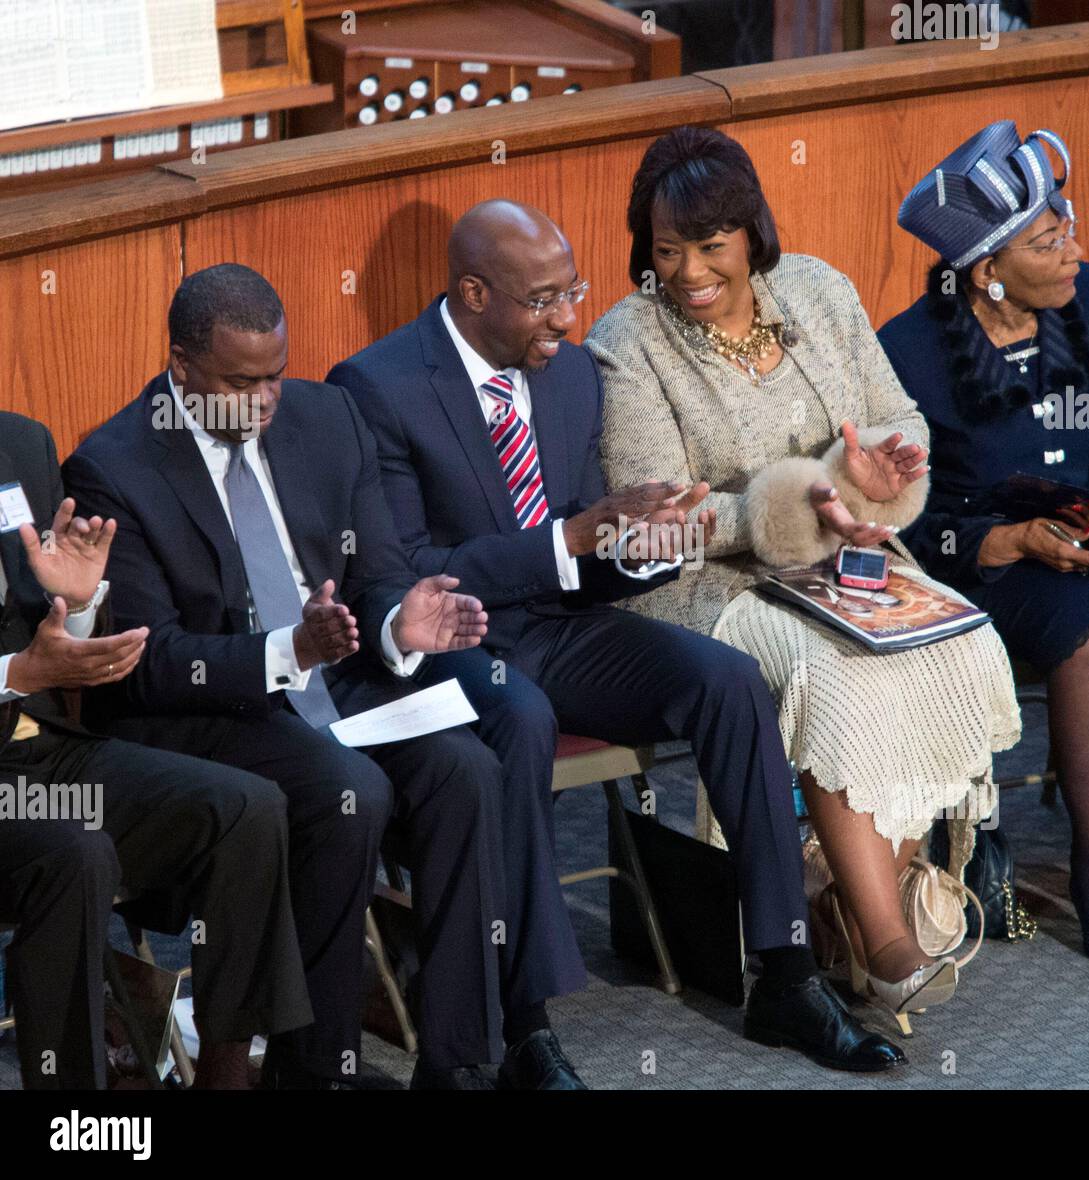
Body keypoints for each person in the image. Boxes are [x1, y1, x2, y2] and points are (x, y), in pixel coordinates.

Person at [327, 199, 907, 1078]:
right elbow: (412, 570)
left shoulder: (566, 374)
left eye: (574, 291)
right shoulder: (377, 387)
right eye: (544, 299)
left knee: (730, 681)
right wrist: (571, 541)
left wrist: (644, 546)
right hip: (458, 641)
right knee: (516, 716)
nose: (568, 317)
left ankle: (785, 976)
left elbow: (595, 543)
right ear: (475, 293)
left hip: (565, 628)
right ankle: (524, 1026)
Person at [587, 126, 1022, 1034]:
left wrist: (887, 470)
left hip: (852, 557)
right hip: (711, 586)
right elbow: (665, 521)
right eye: (667, 252)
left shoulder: (821, 291)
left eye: (711, 247)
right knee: (838, 673)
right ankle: (887, 940)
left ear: (752, 233)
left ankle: (853, 909)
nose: (690, 273)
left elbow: (899, 415)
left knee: (952, 641)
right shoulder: (627, 343)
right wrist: (799, 504)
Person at [62, 264, 510, 1090]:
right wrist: (285, 653)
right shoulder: (113, 465)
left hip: (331, 685)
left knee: (466, 770)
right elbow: (148, 661)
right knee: (350, 795)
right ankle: (315, 1072)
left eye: (275, 375)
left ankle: (457, 1063)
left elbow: (375, 571)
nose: (266, 401)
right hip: (205, 712)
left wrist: (394, 623)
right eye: (242, 383)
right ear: (182, 366)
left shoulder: (327, 416)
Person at [878, 121, 1089, 974]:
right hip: (995, 568)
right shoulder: (907, 349)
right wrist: (1011, 536)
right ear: (986, 270)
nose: (1074, 251)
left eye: (1067, 227)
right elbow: (913, 518)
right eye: (1048, 239)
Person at [0, 410, 312, 1089]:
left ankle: (225, 1077)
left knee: (247, 808)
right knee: (74, 852)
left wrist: (77, 606)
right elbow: (26, 666)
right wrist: (16, 675)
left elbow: (49, 626)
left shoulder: (21, 440)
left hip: (35, 747)